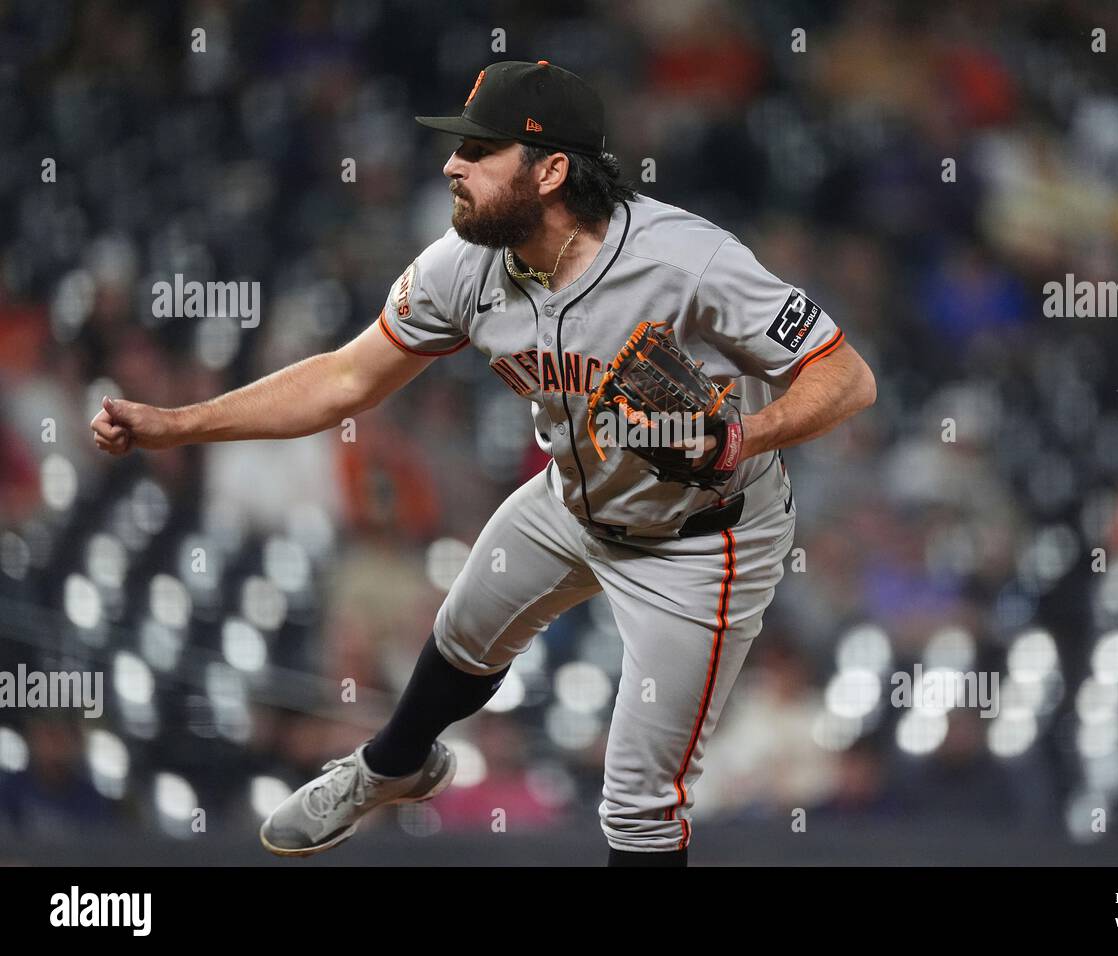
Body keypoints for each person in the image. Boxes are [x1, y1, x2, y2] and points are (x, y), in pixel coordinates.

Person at [90, 60, 877, 866]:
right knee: (464, 635)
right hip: (572, 501)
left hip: (703, 540)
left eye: (478, 151)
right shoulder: (464, 264)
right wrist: (177, 423)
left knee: (640, 809)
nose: (450, 166)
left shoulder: (686, 261)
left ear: (551, 170)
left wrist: (745, 437)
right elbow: (345, 379)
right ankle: (390, 766)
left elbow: (847, 377)